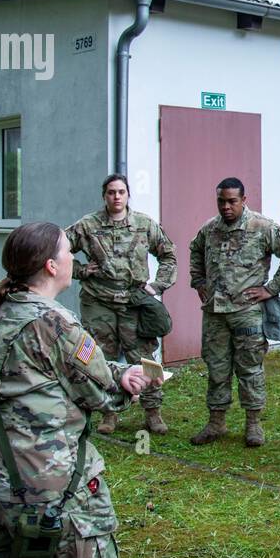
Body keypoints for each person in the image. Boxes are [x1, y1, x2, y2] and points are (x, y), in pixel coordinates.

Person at [0, 221, 157, 558]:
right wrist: (129, 382)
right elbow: (100, 394)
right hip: (46, 491)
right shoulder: (56, 322)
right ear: (50, 265)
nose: (72, 259)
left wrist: (113, 371)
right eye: (67, 252)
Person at [188, 178, 280, 447]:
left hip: (247, 311)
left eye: (232, 201)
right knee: (216, 367)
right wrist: (199, 281)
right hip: (215, 311)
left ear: (244, 200)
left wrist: (272, 289)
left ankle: (253, 424)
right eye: (221, 201)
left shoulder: (262, 227)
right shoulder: (209, 229)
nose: (226, 207)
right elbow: (194, 251)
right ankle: (217, 422)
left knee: (249, 368)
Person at [65, 174, 178, 436]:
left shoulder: (144, 224)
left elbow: (168, 255)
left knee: (144, 357)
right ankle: (109, 411)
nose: (116, 197)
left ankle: (152, 412)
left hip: (133, 302)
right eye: (111, 192)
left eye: (121, 192)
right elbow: (56, 250)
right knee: (101, 357)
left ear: (128, 195)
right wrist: (81, 270)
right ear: (104, 196)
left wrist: (157, 286)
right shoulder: (88, 225)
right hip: (99, 302)